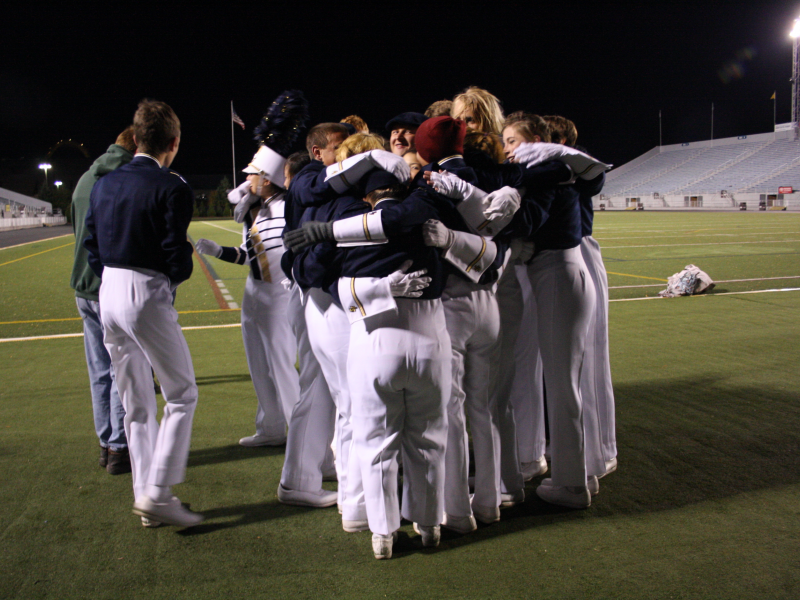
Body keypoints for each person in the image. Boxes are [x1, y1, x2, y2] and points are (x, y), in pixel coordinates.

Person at [84, 99, 202, 528]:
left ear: (135, 138)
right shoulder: (172, 186)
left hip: (108, 290)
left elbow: (91, 245)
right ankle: (156, 494)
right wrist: (172, 276)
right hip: (144, 290)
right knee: (182, 394)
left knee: (135, 402)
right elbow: (176, 257)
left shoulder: (104, 183)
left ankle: (147, 500)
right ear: (173, 142)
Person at [195, 145, 298, 449]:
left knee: (281, 366)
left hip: (279, 296)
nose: (248, 179)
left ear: (266, 179)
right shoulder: (255, 208)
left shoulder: (286, 209)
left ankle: (301, 430)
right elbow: (249, 257)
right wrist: (219, 252)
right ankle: (271, 427)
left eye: (253, 174)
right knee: (259, 364)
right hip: (255, 292)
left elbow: (286, 256)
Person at [70, 126, 135, 475]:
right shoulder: (122, 179)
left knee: (99, 371)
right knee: (120, 368)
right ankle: (119, 448)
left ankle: (105, 442)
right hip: (107, 285)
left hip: (82, 286)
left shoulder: (85, 178)